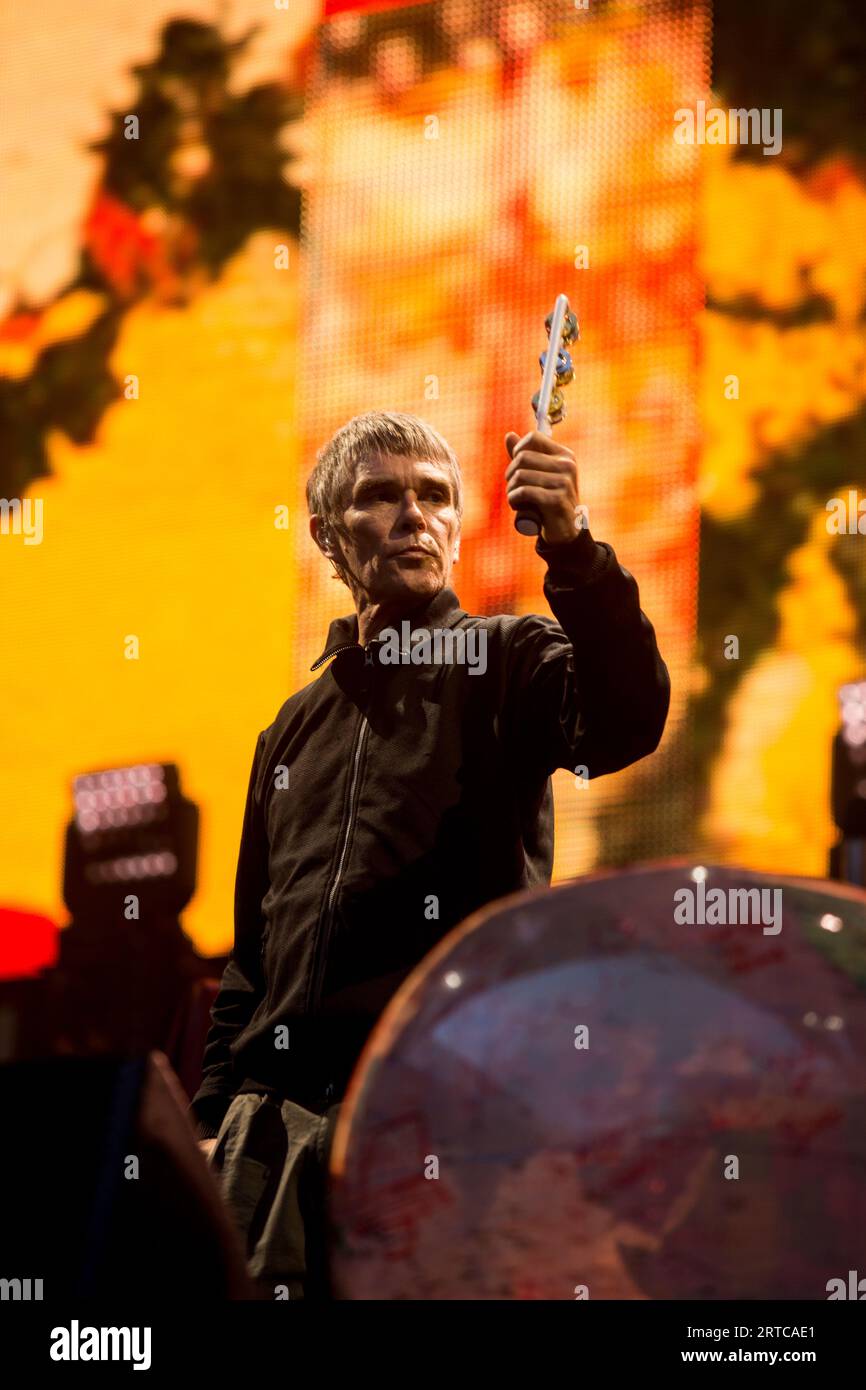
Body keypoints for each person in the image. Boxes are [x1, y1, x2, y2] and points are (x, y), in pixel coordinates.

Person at [189, 410, 671, 1298]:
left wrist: (572, 547)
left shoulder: (508, 657)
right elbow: (252, 960)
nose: (415, 516)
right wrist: (216, 1116)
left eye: (436, 496)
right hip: (273, 1132)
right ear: (328, 535)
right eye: (381, 496)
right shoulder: (289, 732)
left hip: (443, 1108)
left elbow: (626, 717)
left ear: (458, 524)